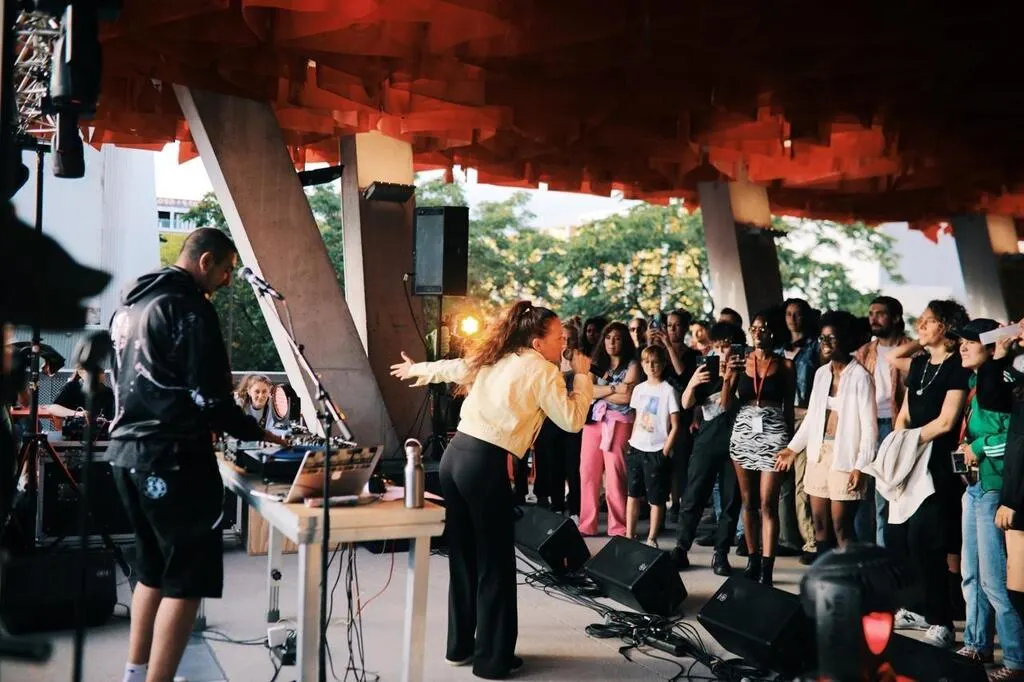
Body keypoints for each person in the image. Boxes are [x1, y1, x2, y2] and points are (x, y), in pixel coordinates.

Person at [107, 228, 287, 682]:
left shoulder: (129, 306)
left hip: (126, 455)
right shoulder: (189, 307)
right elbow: (212, 400)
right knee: (186, 582)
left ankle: (135, 674)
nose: (227, 280)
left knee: (151, 572)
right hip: (173, 459)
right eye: (225, 270)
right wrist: (263, 434)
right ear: (206, 261)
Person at [390, 301, 592, 680]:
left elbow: (453, 368)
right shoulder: (543, 370)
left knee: (464, 556)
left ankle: (460, 648)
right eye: (558, 337)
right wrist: (582, 378)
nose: (564, 343)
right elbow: (571, 420)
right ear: (537, 342)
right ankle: (492, 661)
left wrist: (415, 368)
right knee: (496, 564)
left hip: (455, 458)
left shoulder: (497, 356)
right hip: (483, 465)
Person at [885, 299, 970, 649]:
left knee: (927, 541)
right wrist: (899, 443)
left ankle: (942, 622)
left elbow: (947, 421)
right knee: (899, 537)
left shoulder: (957, 366)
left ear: (946, 327)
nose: (920, 325)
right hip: (910, 459)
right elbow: (905, 413)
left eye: (929, 320)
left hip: (938, 463)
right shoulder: (920, 364)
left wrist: (910, 440)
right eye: (920, 320)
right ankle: (916, 607)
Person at [950, 319, 1024, 679]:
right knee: (972, 574)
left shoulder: (1003, 381)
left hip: (995, 488)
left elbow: (1013, 438)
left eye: (971, 342)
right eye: (961, 342)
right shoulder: (975, 383)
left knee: (994, 580)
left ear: (992, 346)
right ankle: (976, 644)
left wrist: (977, 446)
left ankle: (1016, 660)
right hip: (975, 487)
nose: (962, 347)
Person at [776, 311, 876, 554]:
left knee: (841, 525)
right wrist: (792, 449)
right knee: (820, 524)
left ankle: (852, 574)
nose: (826, 343)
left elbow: (869, 428)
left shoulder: (861, 377)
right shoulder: (821, 374)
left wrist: (861, 466)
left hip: (846, 457)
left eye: (832, 338)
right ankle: (823, 573)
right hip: (818, 454)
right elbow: (812, 418)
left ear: (845, 340)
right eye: (822, 338)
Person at [670, 322, 746, 575]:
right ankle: (681, 548)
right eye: (718, 347)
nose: (722, 352)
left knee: (730, 500)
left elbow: (728, 405)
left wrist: (730, 378)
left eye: (728, 347)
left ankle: (721, 554)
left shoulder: (746, 371)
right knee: (693, 495)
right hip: (707, 439)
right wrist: (692, 383)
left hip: (736, 439)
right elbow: (686, 403)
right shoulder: (706, 369)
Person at [729, 311, 795, 586]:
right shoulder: (740, 360)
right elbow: (725, 402)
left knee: (768, 502)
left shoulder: (786, 365)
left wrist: (791, 446)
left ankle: (767, 567)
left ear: (773, 332)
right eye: (754, 328)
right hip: (744, 431)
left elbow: (788, 407)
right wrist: (728, 375)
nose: (758, 332)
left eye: (763, 328)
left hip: (774, 433)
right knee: (749, 502)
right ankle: (752, 559)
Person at [978, 320, 1024, 645]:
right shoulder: (1019, 368)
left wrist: (1012, 499)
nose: (1018, 326)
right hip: (1016, 489)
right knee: (1016, 588)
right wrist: (999, 355)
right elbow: (992, 398)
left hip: (1018, 493)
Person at [854, 295, 912, 545]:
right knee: (861, 493)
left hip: (896, 426)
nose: (873, 318)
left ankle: (884, 553)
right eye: (871, 314)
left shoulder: (911, 348)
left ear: (896, 318)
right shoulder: (864, 352)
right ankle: (864, 551)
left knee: (886, 497)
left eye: (880, 313)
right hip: (867, 426)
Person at [580, 321, 640, 536]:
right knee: (588, 472)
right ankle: (587, 524)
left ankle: (618, 527)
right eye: (608, 337)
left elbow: (628, 397)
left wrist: (601, 391)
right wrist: (615, 388)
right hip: (594, 421)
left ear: (625, 341)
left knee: (615, 475)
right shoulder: (597, 362)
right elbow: (586, 390)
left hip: (619, 422)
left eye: (617, 338)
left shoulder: (633, 365)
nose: (611, 342)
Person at [624, 344, 680, 546]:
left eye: (655, 362)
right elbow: (636, 417)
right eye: (647, 362)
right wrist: (631, 441)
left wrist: (665, 451)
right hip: (636, 447)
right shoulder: (639, 389)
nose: (651, 366)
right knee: (632, 494)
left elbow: (676, 425)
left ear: (663, 364)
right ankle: (629, 535)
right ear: (642, 364)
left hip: (656, 450)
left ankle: (652, 538)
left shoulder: (669, 391)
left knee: (656, 498)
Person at [781, 298, 819, 563]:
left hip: (805, 416)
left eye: (797, 314)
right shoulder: (778, 348)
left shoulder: (815, 347)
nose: (793, 318)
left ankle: (811, 542)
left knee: (801, 483)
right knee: (783, 482)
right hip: (781, 417)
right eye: (789, 314)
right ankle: (787, 538)